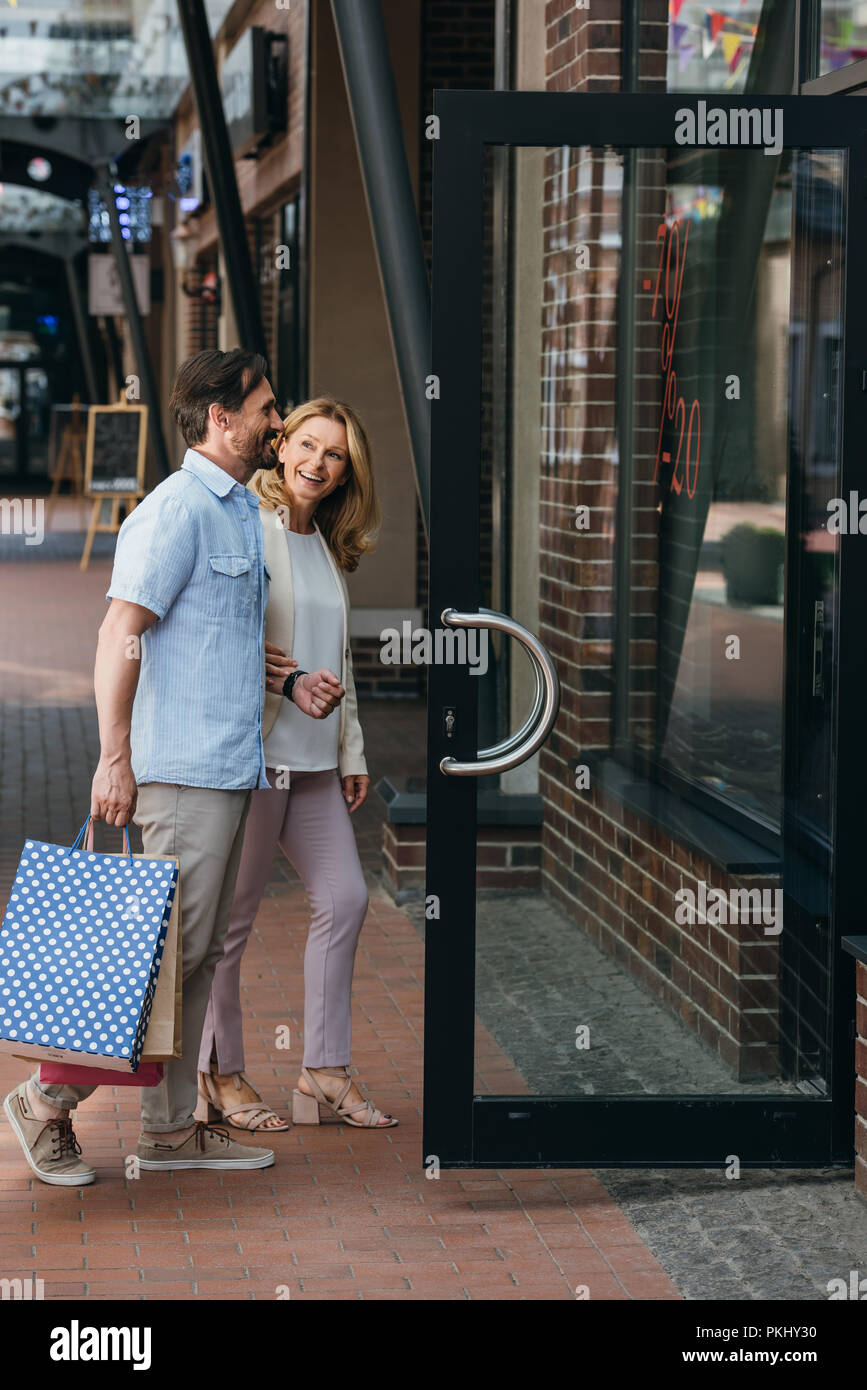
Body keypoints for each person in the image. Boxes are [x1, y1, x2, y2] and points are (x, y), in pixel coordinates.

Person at [2, 349, 338, 1184]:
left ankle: (169, 1131)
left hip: (230, 769)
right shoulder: (176, 510)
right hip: (181, 772)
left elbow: (221, 639)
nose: (278, 421)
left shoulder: (235, 514)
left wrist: (288, 679)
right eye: (265, 407)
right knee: (159, 960)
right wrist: (114, 758)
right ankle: (43, 1101)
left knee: (192, 961)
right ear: (220, 419)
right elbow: (121, 634)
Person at [196, 397, 396, 1131]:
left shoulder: (324, 546)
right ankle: (221, 1075)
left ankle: (323, 1069)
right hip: (254, 760)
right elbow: (218, 635)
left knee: (344, 900)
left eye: (334, 455)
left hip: (311, 765)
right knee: (229, 925)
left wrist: (351, 750)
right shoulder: (249, 528)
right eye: (306, 445)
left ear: (348, 473)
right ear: (279, 449)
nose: (316, 462)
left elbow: (336, 658)